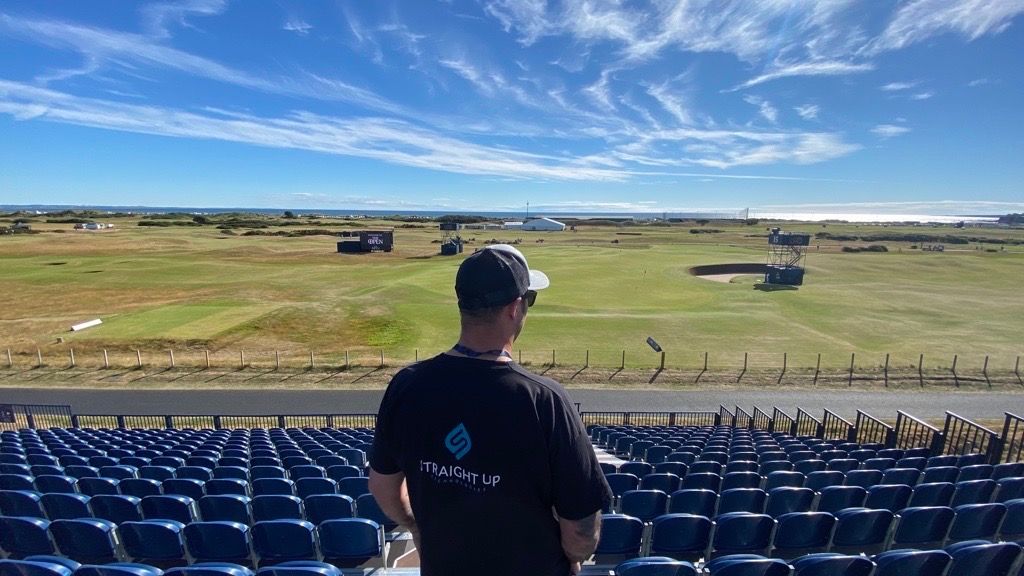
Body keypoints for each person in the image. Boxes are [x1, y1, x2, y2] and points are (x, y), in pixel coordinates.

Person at [369, 244, 612, 576]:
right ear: (514, 308)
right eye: (529, 300)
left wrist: (414, 525)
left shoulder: (406, 386)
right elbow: (582, 529)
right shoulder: (546, 401)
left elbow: (382, 487)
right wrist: (573, 557)